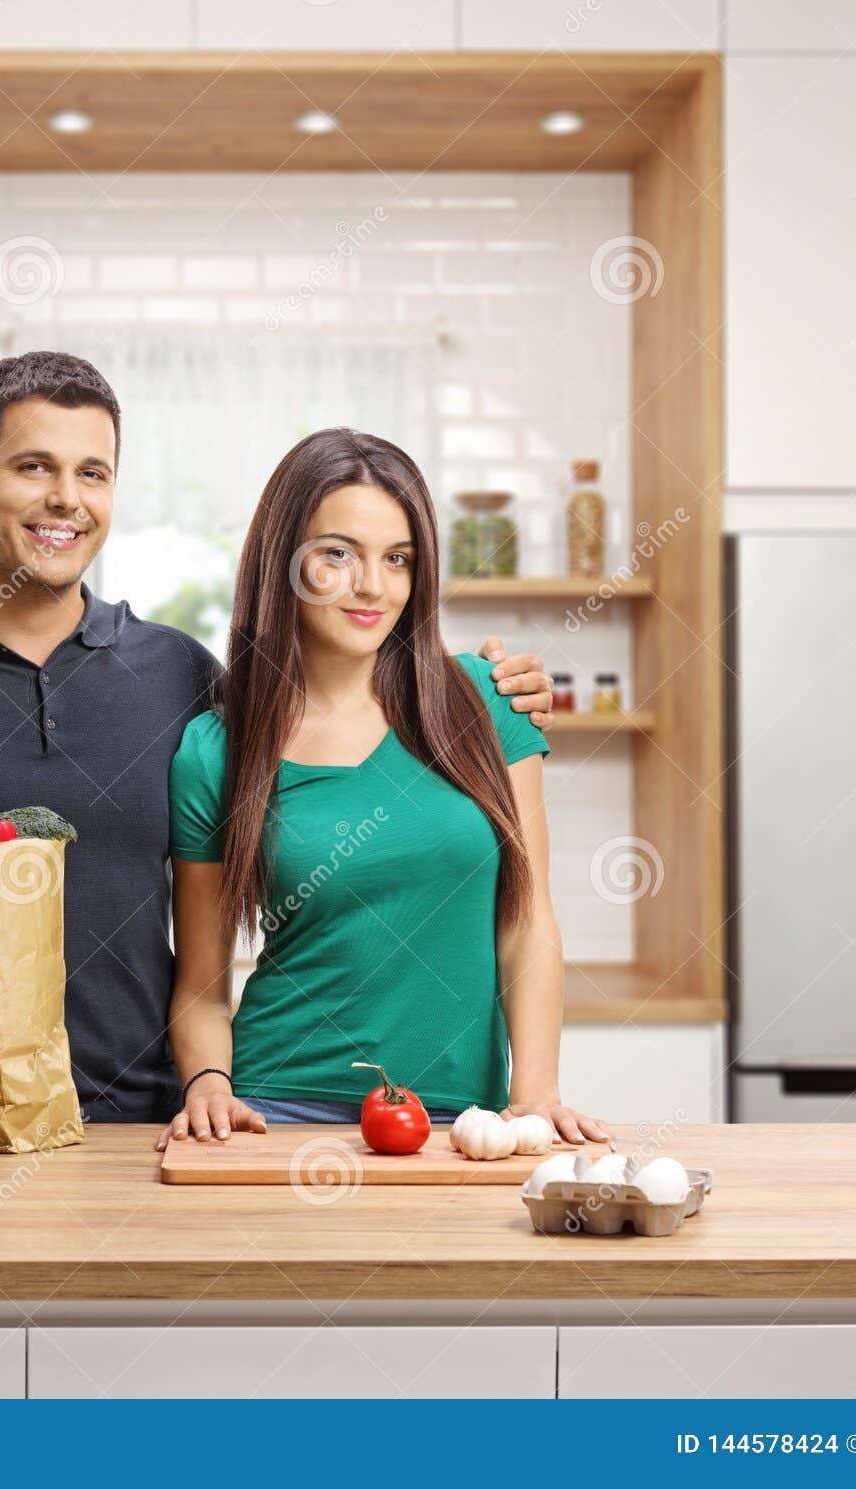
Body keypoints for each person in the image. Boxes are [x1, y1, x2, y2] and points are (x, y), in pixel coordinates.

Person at [0, 352, 555, 1136]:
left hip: (144, 1121)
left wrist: (479, 688)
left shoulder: (183, 680)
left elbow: (333, 704)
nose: (65, 497)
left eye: (92, 472)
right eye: (33, 466)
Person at [158, 427, 609, 1149]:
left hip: (460, 1118)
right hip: (277, 1107)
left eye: (397, 559)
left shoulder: (487, 704)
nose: (374, 585)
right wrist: (208, 1082)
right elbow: (201, 989)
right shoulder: (216, 752)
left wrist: (535, 1096)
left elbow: (528, 920)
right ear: (284, 564)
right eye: (338, 554)